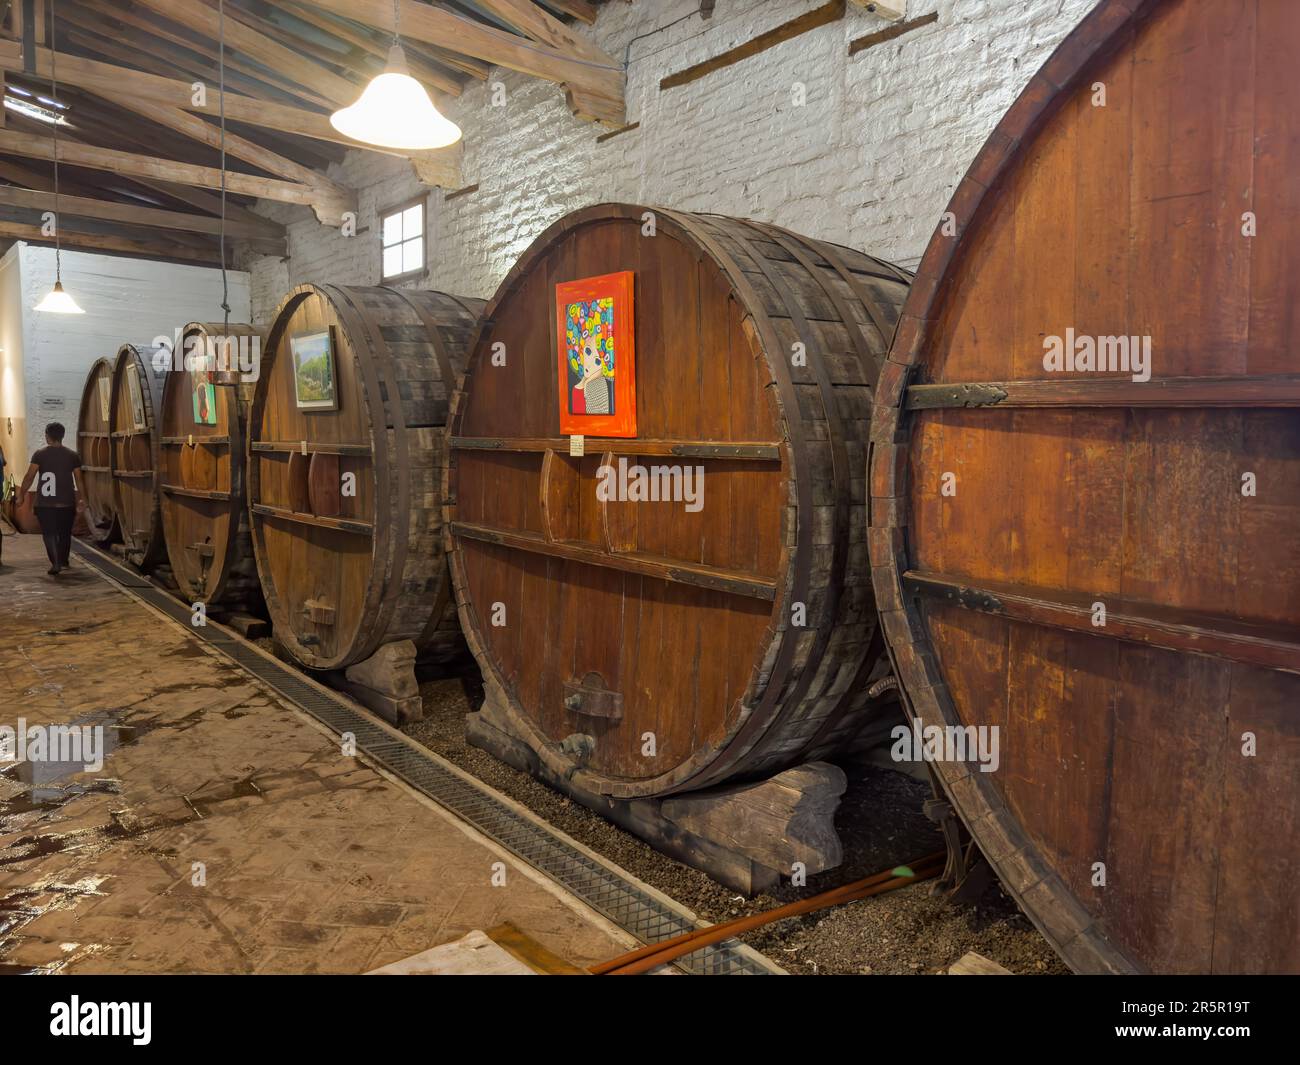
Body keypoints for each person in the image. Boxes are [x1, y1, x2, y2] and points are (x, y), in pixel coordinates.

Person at [18, 422, 84, 576]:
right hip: (66, 503)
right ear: (62, 436)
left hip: (45, 504)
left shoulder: (39, 454)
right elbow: (79, 480)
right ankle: (63, 560)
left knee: (49, 534)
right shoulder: (72, 455)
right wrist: (82, 499)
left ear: (47, 436)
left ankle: (55, 563)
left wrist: (21, 494)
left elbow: (29, 477)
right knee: (65, 533)